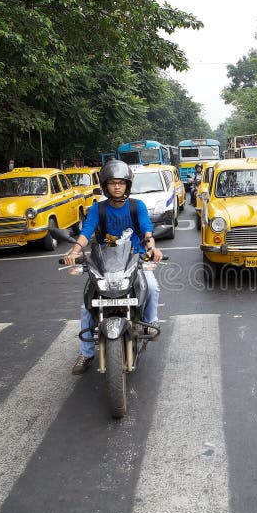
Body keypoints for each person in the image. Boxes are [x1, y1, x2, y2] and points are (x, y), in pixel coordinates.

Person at [63, 160, 163, 375]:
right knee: (87, 306)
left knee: (152, 288)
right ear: (105, 185)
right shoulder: (97, 209)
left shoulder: (138, 206)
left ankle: (150, 322)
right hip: (104, 262)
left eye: (121, 183)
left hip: (133, 259)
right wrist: (74, 252)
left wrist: (151, 248)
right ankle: (87, 353)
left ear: (128, 185)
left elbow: (147, 231)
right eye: (112, 183)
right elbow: (86, 231)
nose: (117, 187)